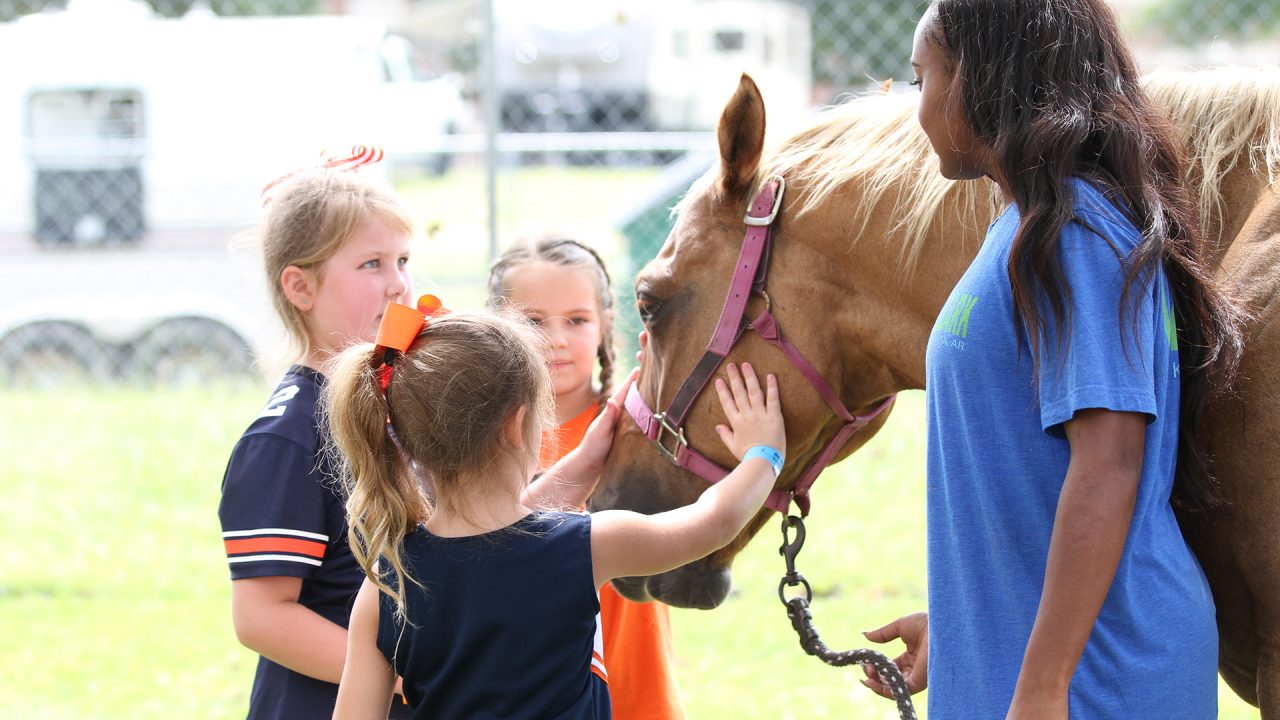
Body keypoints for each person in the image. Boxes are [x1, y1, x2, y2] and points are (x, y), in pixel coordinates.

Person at [861, 1, 1243, 718]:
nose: (917, 108)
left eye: (922, 79)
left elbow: (1109, 463)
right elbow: (1025, 472)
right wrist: (967, 630)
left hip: (1098, 682)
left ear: (982, 77)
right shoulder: (1027, 226)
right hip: (1045, 668)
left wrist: (1042, 685)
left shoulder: (1073, 233)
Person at [325, 300, 786, 719]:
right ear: (517, 425)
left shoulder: (387, 584)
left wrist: (583, 465)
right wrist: (764, 455)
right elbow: (712, 522)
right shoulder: (587, 545)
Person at [218, 159, 416, 719]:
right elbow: (262, 616)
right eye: (372, 264)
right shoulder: (288, 437)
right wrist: (400, 677)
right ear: (300, 286)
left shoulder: (389, 408)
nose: (399, 282)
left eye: (403, 260)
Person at [487, 237, 687, 720]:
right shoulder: (480, 439)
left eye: (576, 320)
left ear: (603, 327)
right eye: (533, 322)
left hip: (633, 680)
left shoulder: (637, 424)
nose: (556, 339)